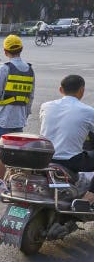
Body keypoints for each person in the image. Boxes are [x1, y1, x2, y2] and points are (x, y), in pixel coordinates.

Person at [39, 75, 94, 208]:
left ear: (60, 89)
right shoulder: (88, 111)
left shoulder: (46, 106)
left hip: (44, 158)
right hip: (71, 161)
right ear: (82, 90)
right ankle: (90, 195)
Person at [0, 35, 34, 178]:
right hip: (19, 119)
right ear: (21, 49)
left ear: (5, 51)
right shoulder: (30, 70)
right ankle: (13, 181)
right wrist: (25, 115)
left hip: (2, 118)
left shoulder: (4, 69)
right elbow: (30, 96)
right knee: (15, 153)